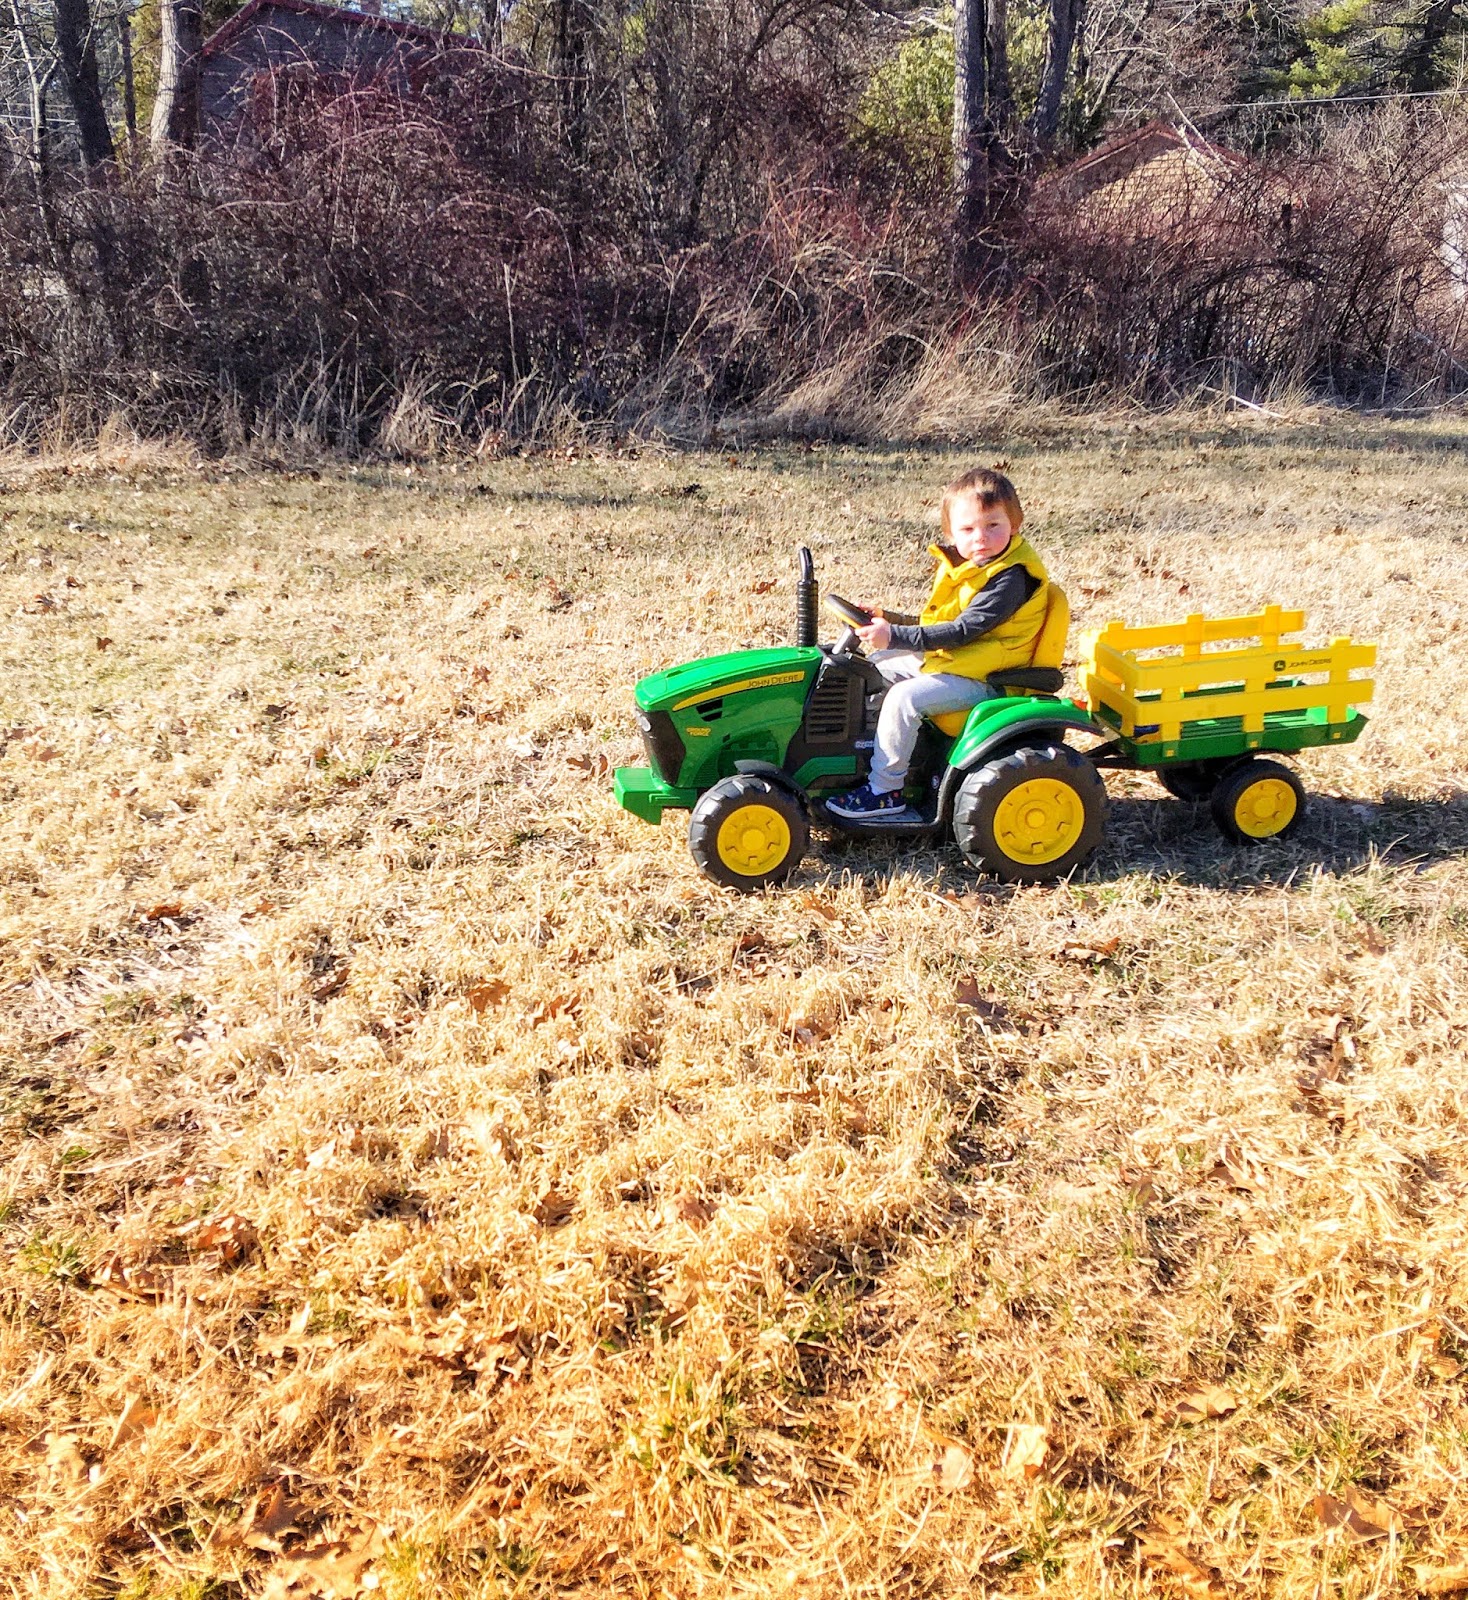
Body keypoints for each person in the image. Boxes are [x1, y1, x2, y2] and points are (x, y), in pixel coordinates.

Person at [826, 467, 1050, 820]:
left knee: (904, 698)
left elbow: (963, 631)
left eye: (994, 525)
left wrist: (896, 634)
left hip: (994, 679)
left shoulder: (1010, 578)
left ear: (1015, 523)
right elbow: (941, 624)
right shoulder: (974, 569)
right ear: (950, 533)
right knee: (879, 664)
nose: (981, 537)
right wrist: (890, 619)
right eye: (968, 529)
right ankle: (884, 752)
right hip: (964, 662)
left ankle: (886, 789)